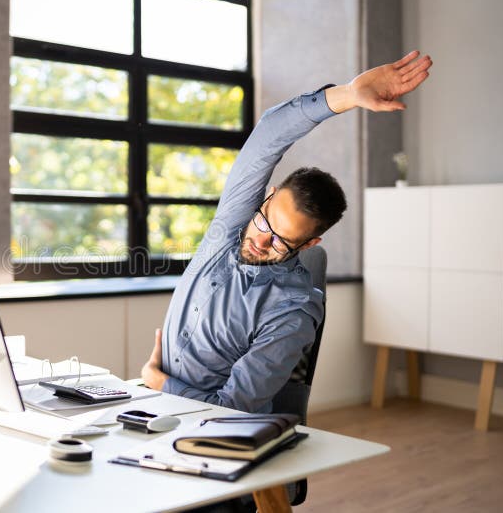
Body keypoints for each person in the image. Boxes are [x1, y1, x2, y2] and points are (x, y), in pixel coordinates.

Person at [141, 51, 433, 413]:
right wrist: (348, 94)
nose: (261, 240)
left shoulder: (292, 308)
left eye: (281, 240)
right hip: (151, 408)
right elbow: (269, 136)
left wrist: (160, 383)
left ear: (310, 244)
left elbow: (235, 408)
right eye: (265, 222)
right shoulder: (233, 227)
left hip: (207, 432)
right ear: (267, 198)